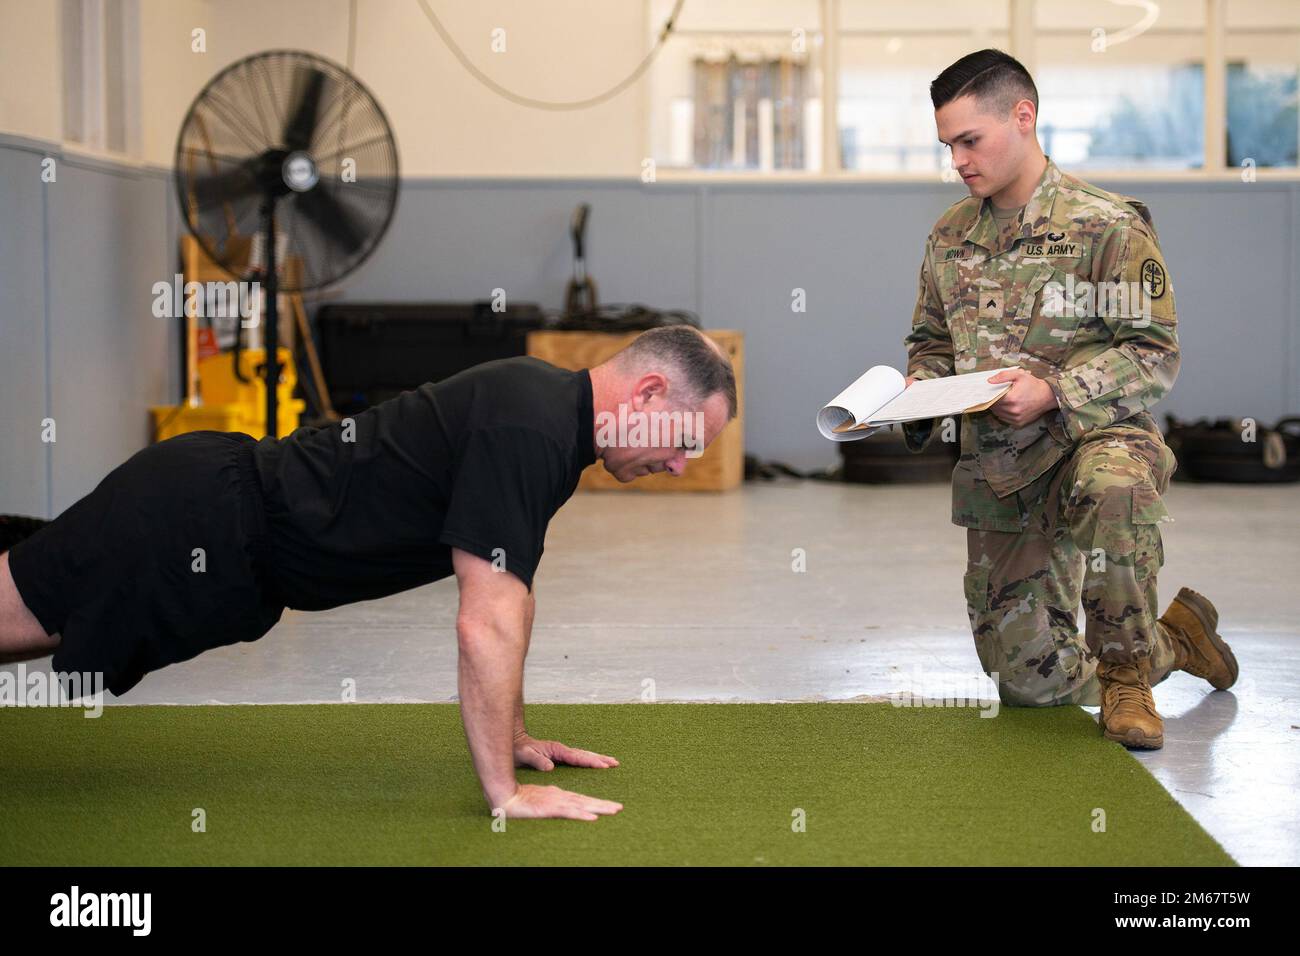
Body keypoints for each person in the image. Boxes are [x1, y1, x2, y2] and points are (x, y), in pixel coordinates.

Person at [0, 324, 737, 818]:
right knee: (17, 621)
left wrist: (513, 735)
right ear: (646, 395)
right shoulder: (530, 426)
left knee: (32, 627)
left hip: (218, 540)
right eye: (682, 440)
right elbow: (484, 619)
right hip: (192, 522)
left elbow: (514, 593)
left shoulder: (548, 421)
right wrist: (505, 794)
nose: (678, 463)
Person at [900, 49, 1238, 749]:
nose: (958, 161)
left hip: (1096, 437)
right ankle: (1175, 639)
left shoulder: (1107, 227)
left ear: (1023, 118)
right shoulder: (951, 236)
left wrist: (1055, 391)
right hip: (1003, 465)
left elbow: (1152, 352)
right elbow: (932, 340)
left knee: (1115, 491)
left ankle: (1126, 678)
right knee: (1030, 684)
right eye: (948, 146)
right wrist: (918, 389)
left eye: (970, 140)